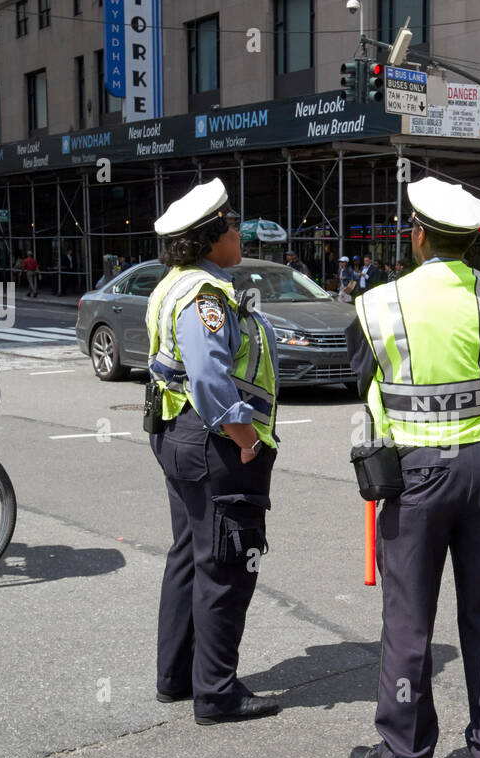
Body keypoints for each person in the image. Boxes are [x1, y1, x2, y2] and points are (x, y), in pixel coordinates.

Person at [345, 176, 480, 758]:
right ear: (471, 241)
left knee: (408, 617)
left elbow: (359, 374)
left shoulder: (378, 304)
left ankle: (405, 757)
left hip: (415, 474)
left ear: (417, 236)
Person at [145, 177, 281, 725]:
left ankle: (177, 677)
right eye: (231, 224)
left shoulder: (174, 283)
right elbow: (208, 375)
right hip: (215, 444)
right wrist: (243, 434)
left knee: (189, 554)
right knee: (226, 562)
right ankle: (217, 693)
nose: (238, 231)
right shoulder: (205, 294)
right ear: (209, 236)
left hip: (178, 436)